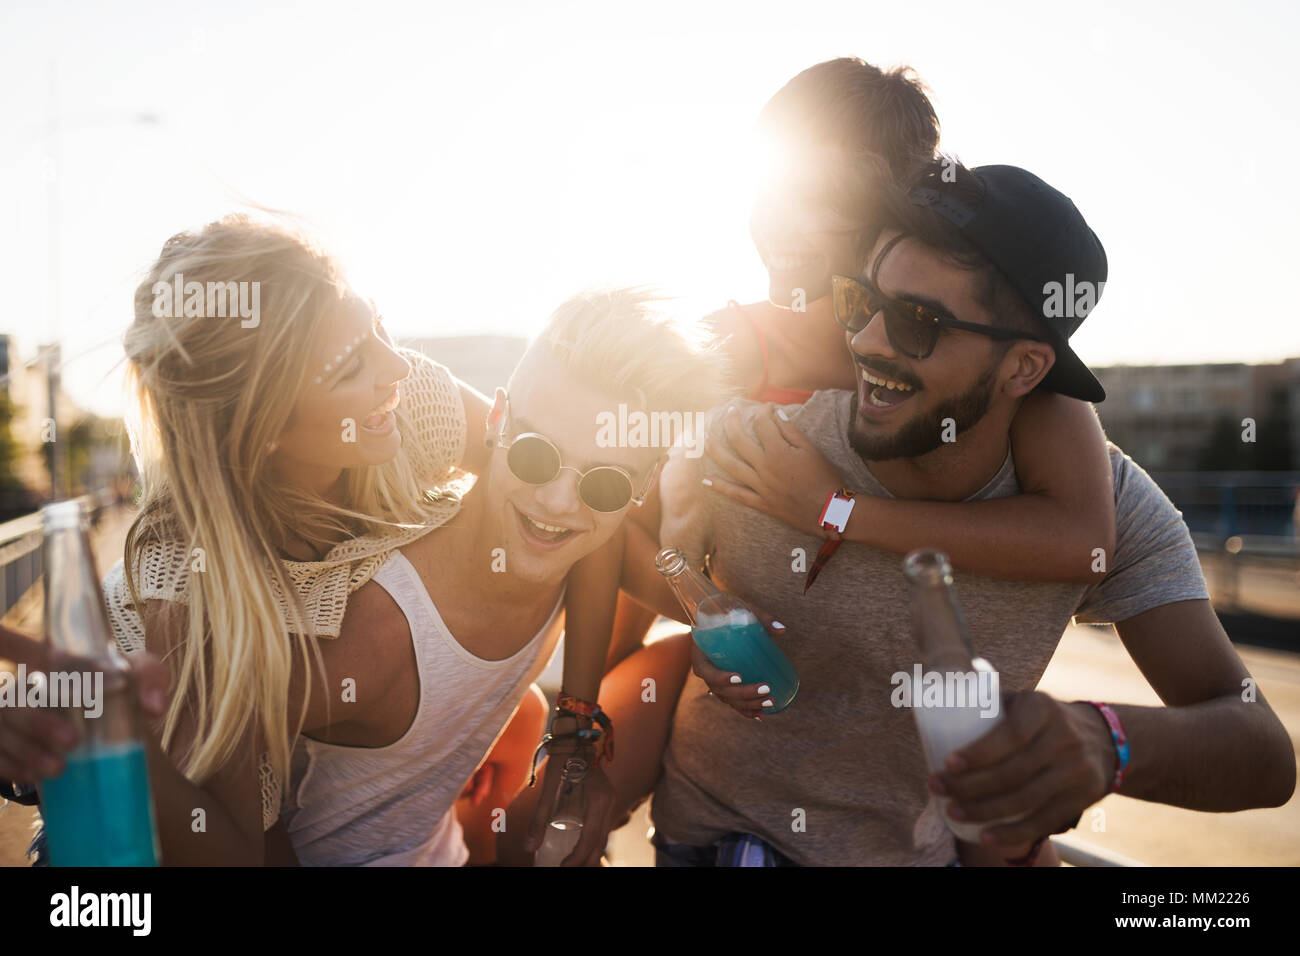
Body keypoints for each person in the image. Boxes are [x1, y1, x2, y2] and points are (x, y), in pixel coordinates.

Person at [636, 159, 1295, 865]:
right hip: (725, 840)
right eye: (861, 302)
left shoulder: (1111, 509)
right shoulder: (765, 445)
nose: (867, 342)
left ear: (1023, 370)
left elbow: (1262, 753)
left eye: (919, 323)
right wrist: (696, 616)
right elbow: (619, 548)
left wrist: (1106, 741)